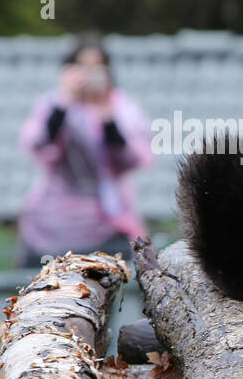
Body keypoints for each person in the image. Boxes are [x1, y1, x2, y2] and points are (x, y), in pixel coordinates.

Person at [15, 35, 153, 267]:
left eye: (96, 68)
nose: (89, 75)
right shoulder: (54, 104)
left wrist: (107, 118)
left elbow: (133, 157)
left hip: (109, 222)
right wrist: (65, 100)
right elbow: (39, 144)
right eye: (83, 67)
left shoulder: (122, 108)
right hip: (53, 225)